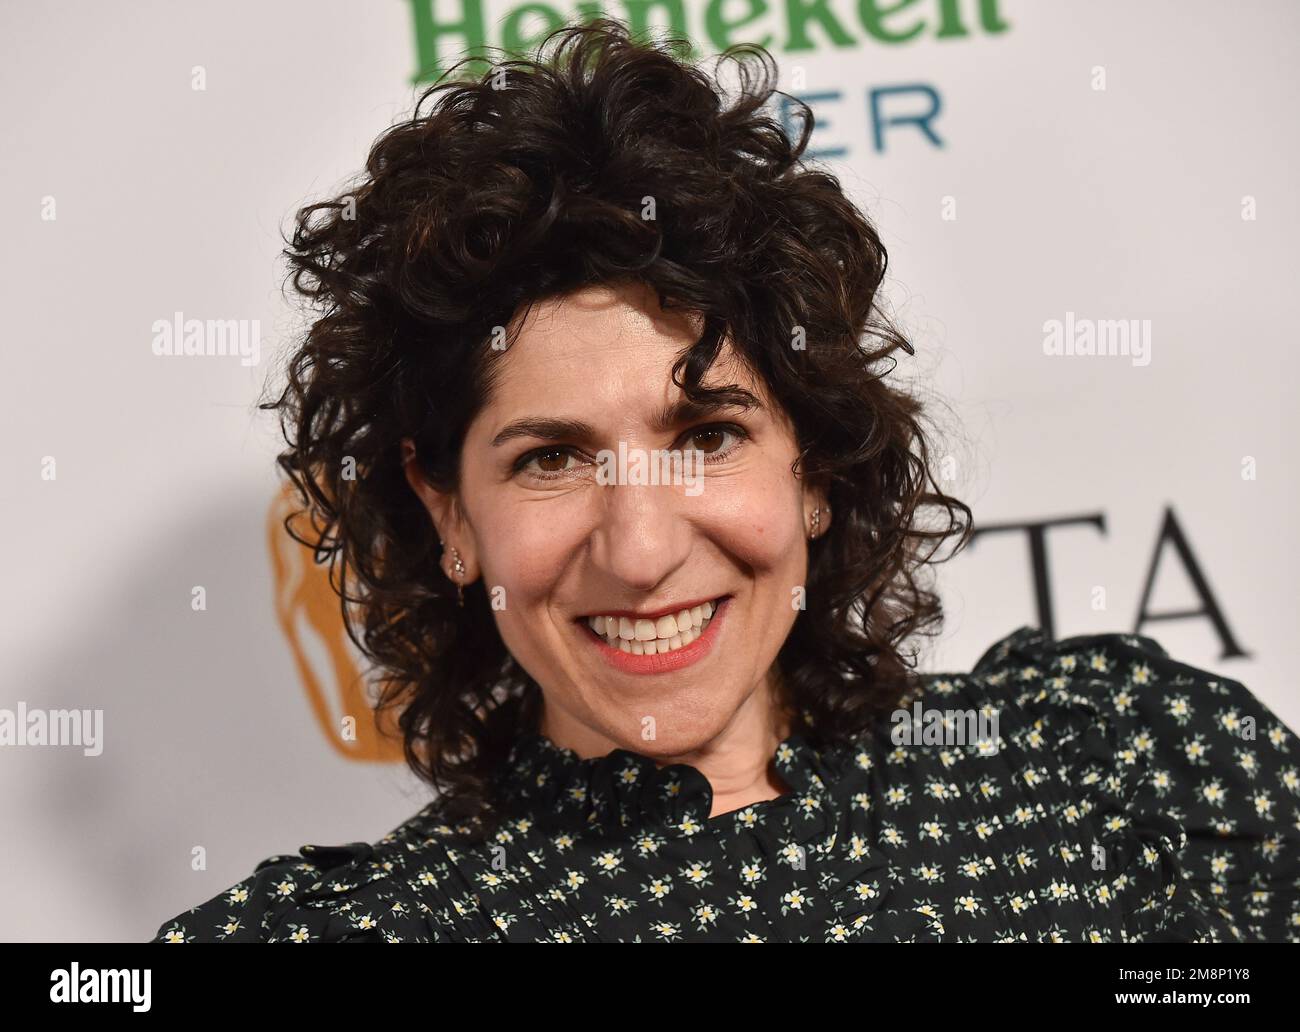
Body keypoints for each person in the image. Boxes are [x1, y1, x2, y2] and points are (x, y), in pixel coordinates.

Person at [150, 19, 1299, 943]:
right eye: (551, 459)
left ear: (813, 465)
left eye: (703, 435)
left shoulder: (1112, 762)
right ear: (449, 512)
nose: (640, 549)